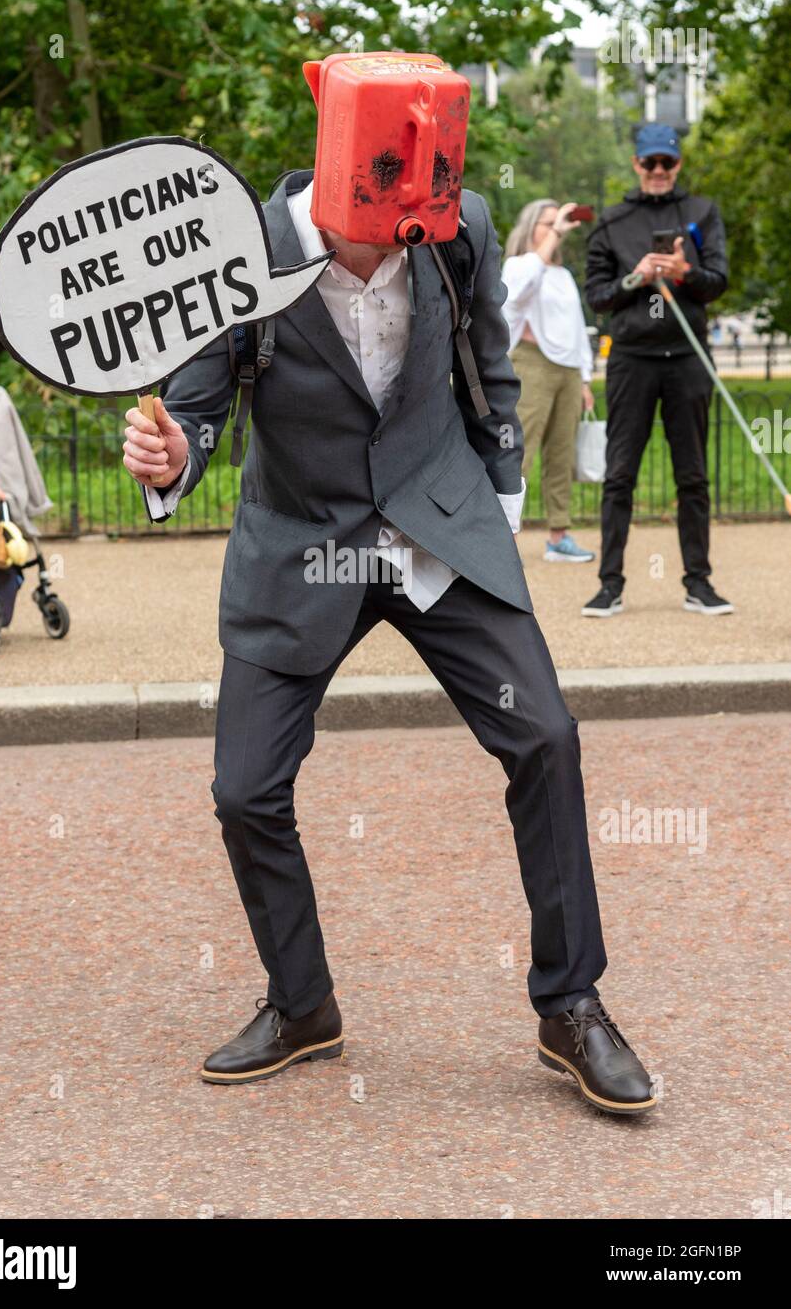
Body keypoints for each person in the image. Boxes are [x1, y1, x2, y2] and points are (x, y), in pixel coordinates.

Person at [121, 61, 656, 1116]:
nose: (403, 239)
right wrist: (170, 457)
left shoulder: (457, 225)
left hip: (435, 524)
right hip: (304, 539)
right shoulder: (239, 253)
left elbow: (489, 370)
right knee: (244, 790)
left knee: (543, 735)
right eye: (383, 221)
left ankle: (570, 1003)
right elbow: (194, 418)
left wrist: (498, 499)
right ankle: (301, 1002)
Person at [583, 122, 732, 616]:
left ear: (678, 164)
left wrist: (685, 273)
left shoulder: (702, 212)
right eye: (650, 162)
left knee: (692, 476)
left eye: (667, 162)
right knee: (619, 475)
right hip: (632, 360)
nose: (659, 171)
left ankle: (699, 582)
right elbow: (599, 296)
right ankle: (610, 585)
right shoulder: (612, 220)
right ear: (636, 164)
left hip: (687, 359)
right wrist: (638, 277)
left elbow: (718, 281)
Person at [502, 199, 596, 562]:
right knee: (518, 453)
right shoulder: (520, 265)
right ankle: (501, 536)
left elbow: (575, 328)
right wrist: (557, 231)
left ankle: (559, 535)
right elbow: (519, 290)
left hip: (569, 369)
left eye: (557, 222)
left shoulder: (563, 274)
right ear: (531, 227)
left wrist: (585, 378)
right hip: (532, 364)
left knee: (561, 453)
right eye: (547, 222)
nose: (555, 227)